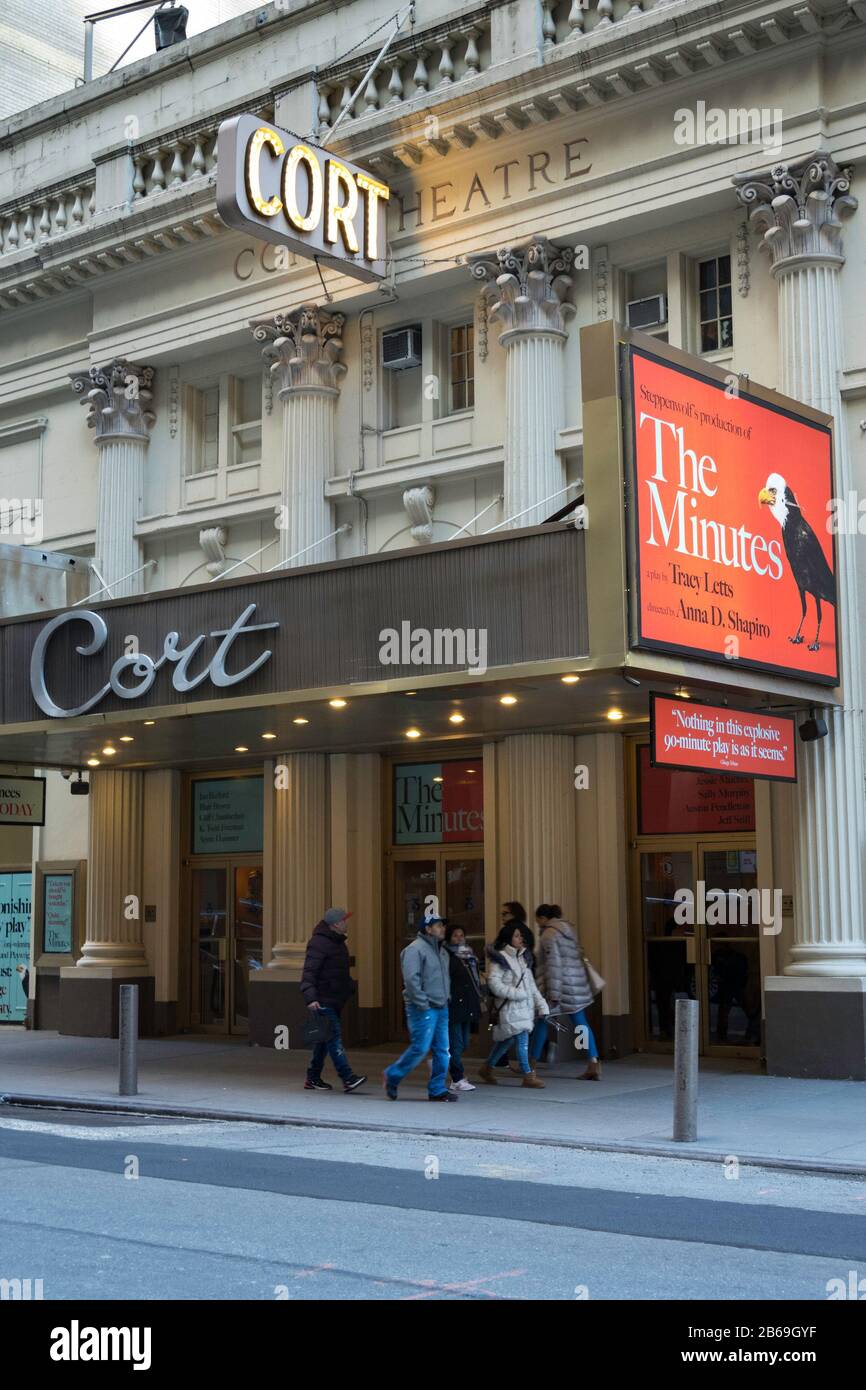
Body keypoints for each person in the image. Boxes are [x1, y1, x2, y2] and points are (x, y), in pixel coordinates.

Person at [384, 914, 457, 1102]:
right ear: (428, 929)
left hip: (441, 1006)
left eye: (442, 925)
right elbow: (411, 980)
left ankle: (437, 1089)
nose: (442, 929)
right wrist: (422, 1003)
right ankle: (393, 1075)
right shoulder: (414, 950)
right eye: (438, 926)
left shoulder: (442, 951)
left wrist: (446, 998)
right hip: (423, 1007)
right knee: (420, 1047)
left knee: (443, 1050)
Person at [300, 907, 367, 1093]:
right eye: (344, 920)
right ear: (336, 924)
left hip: (335, 998)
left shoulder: (337, 942)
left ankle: (312, 1078)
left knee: (322, 1041)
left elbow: (337, 971)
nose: (347, 923)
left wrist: (348, 986)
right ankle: (348, 1078)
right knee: (334, 1038)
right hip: (323, 1000)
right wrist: (310, 998)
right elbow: (309, 972)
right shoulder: (319, 943)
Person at [532, 904, 602, 1080]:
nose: (537, 924)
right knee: (581, 1024)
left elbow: (554, 965)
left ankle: (530, 1064)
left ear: (543, 918)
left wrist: (553, 994)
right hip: (576, 985)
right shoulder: (568, 930)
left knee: (542, 1020)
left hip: (559, 987)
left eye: (537, 920)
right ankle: (593, 1062)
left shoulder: (549, 935)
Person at [478, 923, 548, 1088]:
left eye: (521, 935)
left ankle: (487, 1068)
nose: (520, 938)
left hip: (523, 1008)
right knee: (522, 1039)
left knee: (507, 1040)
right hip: (509, 1008)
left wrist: (542, 1005)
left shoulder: (523, 958)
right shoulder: (501, 959)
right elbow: (494, 984)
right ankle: (528, 1075)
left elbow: (531, 986)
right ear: (508, 938)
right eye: (516, 935)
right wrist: (517, 994)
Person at [444, 923, 482, 1092]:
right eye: (455, 935)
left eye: (461, 935)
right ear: (449, 938)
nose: (459, 938)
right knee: (456, 1044)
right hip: (453, 1003)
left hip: (468, 1002)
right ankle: (457, 1078)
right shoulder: (447, 955)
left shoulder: (469, 955)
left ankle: (440, 1063)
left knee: (465, 1043)